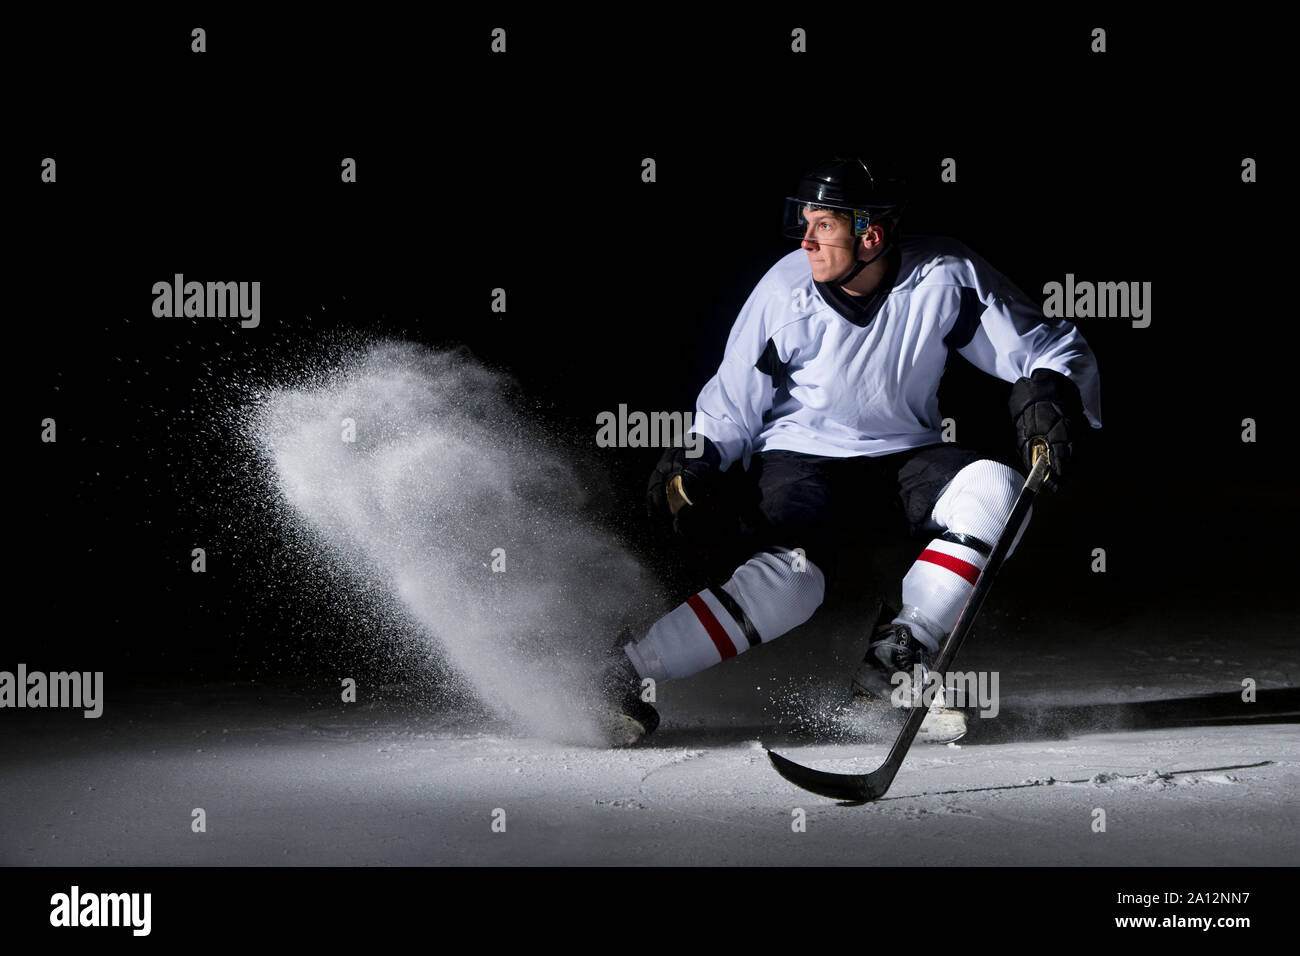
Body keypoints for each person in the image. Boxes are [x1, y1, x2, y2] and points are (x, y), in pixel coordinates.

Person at [599, 157, 1101, 745]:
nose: (805, 239)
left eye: (823, 225)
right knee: (789, 585)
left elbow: (1048, 345)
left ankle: (892, 666)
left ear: (872, 234)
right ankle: (620, 673)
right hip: (800, 456)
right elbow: (731, 401)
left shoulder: (946, 273)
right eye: (803, 220)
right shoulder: (785, 290)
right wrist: (698, 456)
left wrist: (1051, 392)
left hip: (906, 451)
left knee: (998, 494)